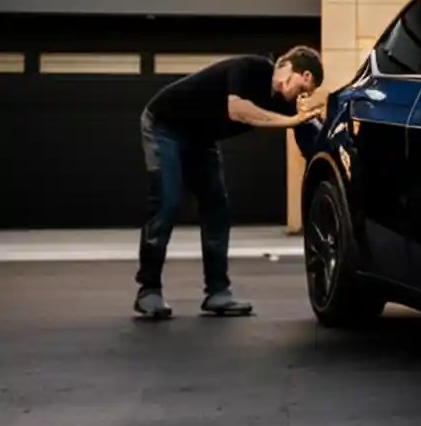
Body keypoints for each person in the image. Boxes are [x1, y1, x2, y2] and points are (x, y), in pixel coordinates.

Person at [133, 46, 326, 319]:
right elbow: (238, 110)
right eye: (304, 89)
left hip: (201, 138)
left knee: (217, 209)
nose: (302, 98)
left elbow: (311, 140)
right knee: (168, 202)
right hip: (164, 125)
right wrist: (291, 120)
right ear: (300, 72)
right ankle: (148, 290)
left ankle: (218, 293)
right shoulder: (249, 68)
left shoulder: (284, 103)